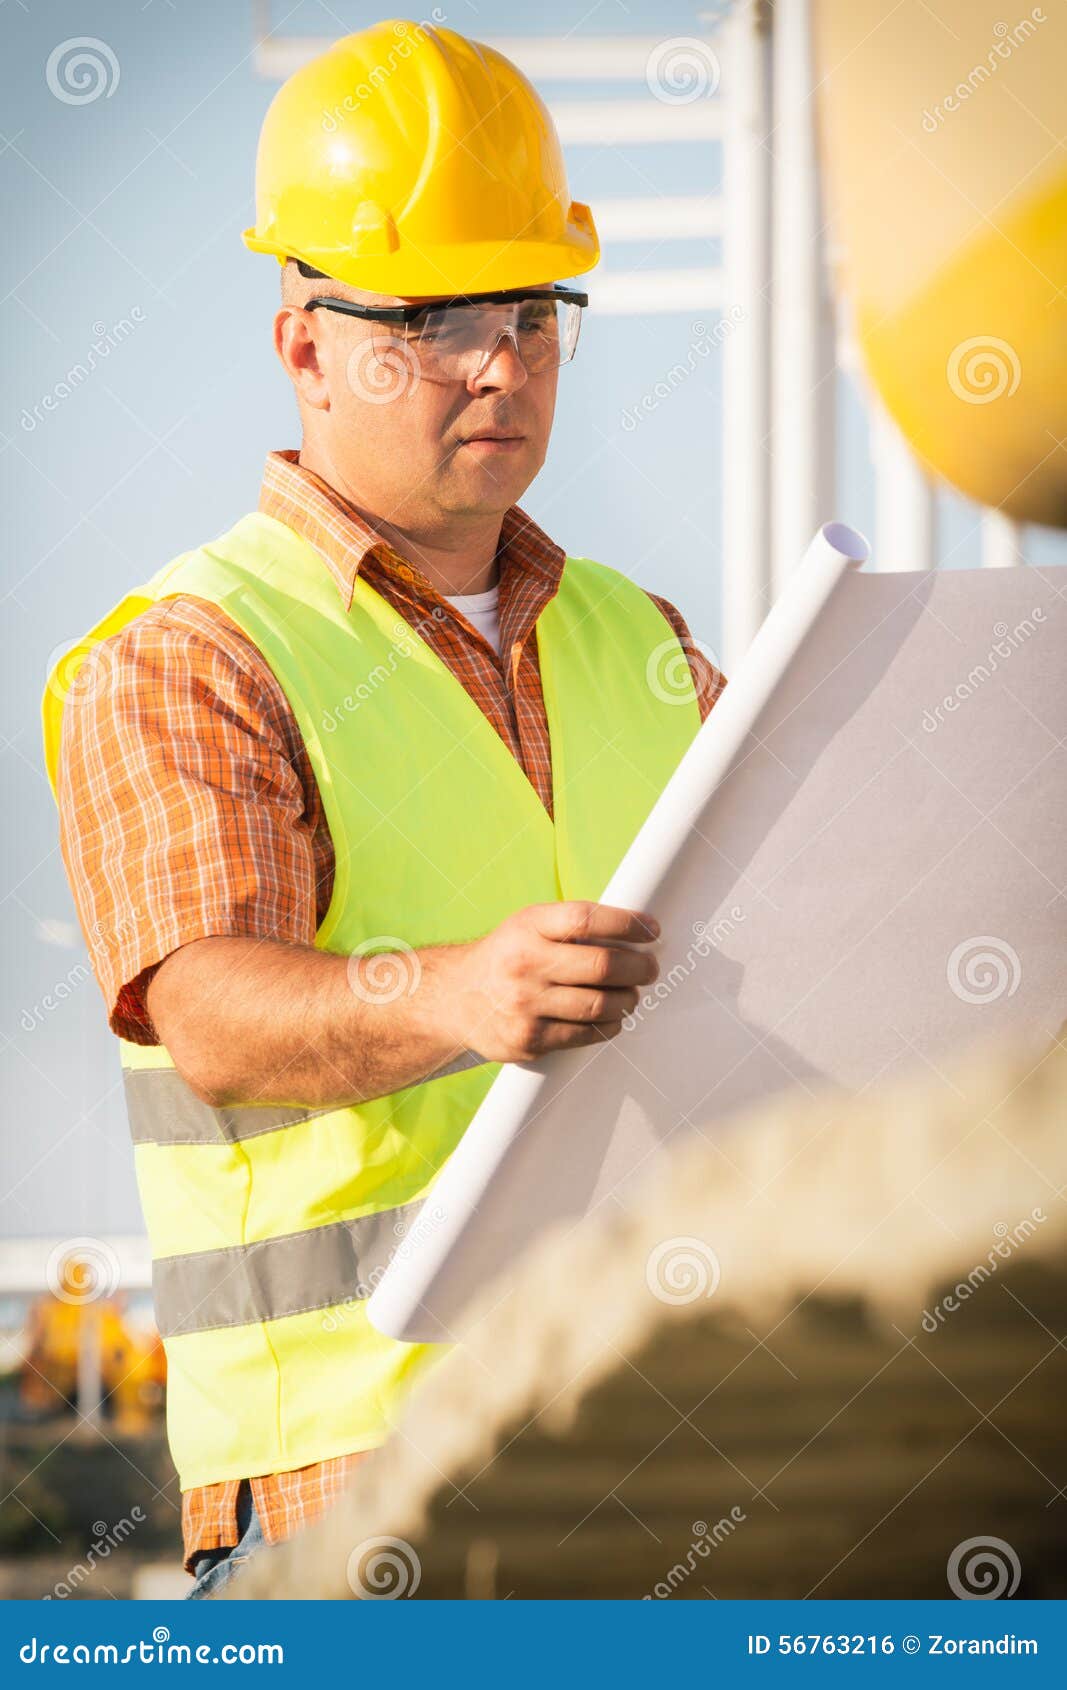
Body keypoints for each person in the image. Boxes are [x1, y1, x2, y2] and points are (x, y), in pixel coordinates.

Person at [42, 20, 726, 1598]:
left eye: (533, 311)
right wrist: (464, 992)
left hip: (669, 1444)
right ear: (301, 341)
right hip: (358, 1494)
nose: (499, 361)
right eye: (430, 317)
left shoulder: (645, 640)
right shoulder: (190, 654)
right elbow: (205, 1010)